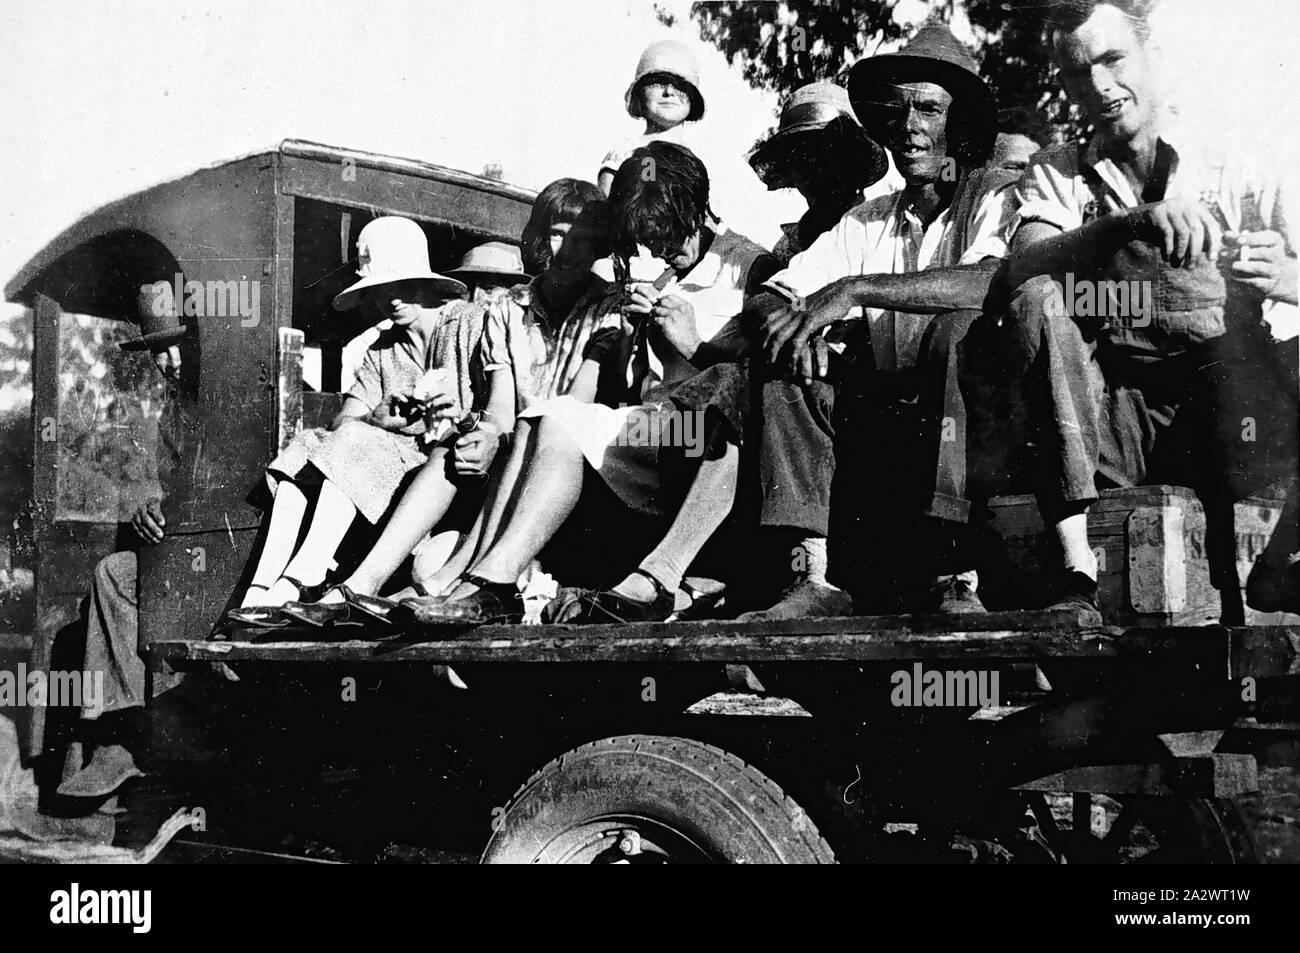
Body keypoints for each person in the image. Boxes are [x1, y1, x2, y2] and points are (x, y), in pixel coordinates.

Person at [984, 0, 1298, 619]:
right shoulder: (1060, 173)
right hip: (1111, 418)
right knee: (1042, 296)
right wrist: (1130, 224)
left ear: (1155, 55)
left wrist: (1291, 275)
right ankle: (1076, 572)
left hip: (1226, 407)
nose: (1098, 86)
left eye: (1112, 59)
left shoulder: (1232, 155)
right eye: (1077, 72)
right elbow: (1021, 264)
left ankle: (1285, 563)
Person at [413, 143, 766, 624]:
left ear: (700, 208)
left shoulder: (748, 268)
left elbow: (754, 383)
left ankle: (478, 578)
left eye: (668, 234)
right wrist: (630, 338)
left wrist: (691, 343)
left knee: (569, 419)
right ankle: (494, 577)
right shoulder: (658, 275)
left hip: (704, 443)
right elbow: (630, 385)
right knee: (550, 415)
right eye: (648, 238)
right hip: (652, 432)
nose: (662, 249)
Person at [737, 21, 1019, 619]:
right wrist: (790, 326)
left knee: (956, 330)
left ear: (959, 122)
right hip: (886, 414)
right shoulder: (869, 219)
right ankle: (810, 576)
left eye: (928, 110)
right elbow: (769, 290)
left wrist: (856, 288)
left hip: (977, 416)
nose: (910, 128)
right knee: (791, 361)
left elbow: (985, 281)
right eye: (897, 112)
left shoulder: (997, 195)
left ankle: (956, 576)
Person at [291, 181, 625, 622]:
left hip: (573, 468)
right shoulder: (510, 309)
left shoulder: (611, 309)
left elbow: (582, 405)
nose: (569, 250)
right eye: (559, 234)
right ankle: (360, 585)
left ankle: (440, 585)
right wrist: (484, 433)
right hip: (513, 451)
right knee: (456, 446)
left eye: (584, 239)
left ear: (600, 244)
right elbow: (502, 409)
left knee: (529, 432)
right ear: (540, 237)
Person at [226, 217, 472, 624]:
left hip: (447, 476)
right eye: (380, 290)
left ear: (424, 281)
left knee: (358, 439)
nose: (391, 300)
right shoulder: (382, 349)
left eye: (401, 285)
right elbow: (344, 423)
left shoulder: (464, 325)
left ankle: (303, 575)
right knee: (308, 443)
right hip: (386, 467)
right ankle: (263, 585)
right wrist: (380, 418)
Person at [56, 285, 193, 798]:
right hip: (184, 547)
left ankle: (124, 733)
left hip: (246, 555)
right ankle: (116, 734)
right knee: (116, 570)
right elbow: (158, 487)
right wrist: (147, 510)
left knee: (114, 574)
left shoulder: (240, 399)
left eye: (178, 347)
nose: (168, 362)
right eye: (159, 351)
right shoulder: (170, 414)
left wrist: (172, 516)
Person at [747, 81, 891, 277]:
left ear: (854, 162)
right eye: (802, 157)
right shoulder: (788, 249)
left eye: (830, 154)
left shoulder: (882, 231)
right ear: (789, 169)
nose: (817, 169)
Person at [597, 40, 705, 197]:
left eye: (680, 85)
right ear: (640, 94)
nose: (669, 91)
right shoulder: (627, 151)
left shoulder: (696, 158)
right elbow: (603, 207)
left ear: (693, 97)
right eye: (658, 83)